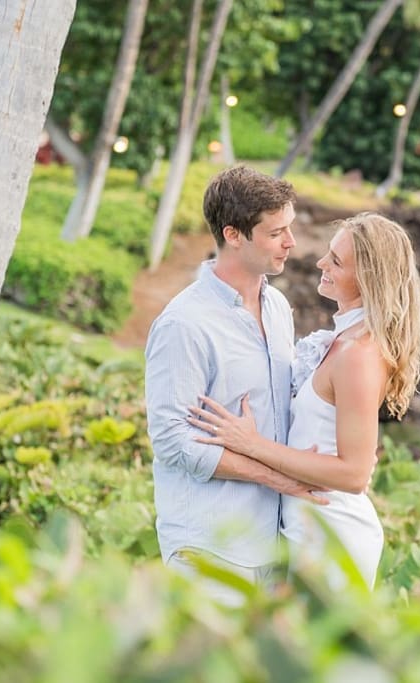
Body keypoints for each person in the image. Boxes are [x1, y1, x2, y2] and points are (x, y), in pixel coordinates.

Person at [188, 212, 420, 589]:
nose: (320, 264)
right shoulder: (340, 341)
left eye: (335, 260)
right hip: (308, 529)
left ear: (367, 278)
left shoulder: (358, 354)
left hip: (333, 536)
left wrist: (253, 445)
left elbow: (354, 473)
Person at [144, 166, 327, 605]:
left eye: (290, 229)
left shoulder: (279, 306)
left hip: (274, 544)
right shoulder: (183, 324)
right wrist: (276, 477)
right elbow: (172, 443)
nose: (291, 243)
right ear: (234, 234)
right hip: (210, 548)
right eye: (276, 232)